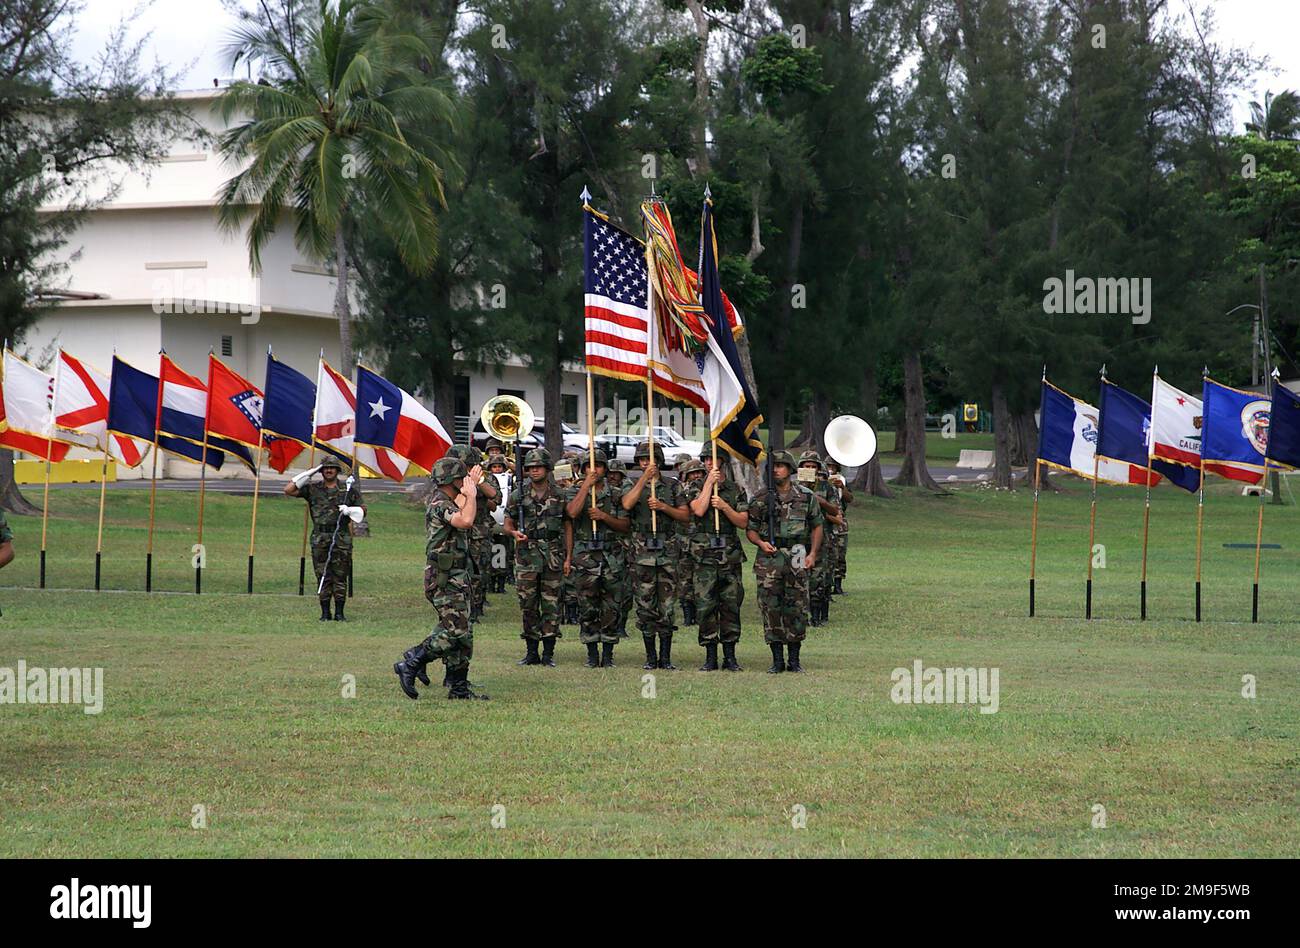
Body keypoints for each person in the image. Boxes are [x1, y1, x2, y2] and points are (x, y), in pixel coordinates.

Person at [393, 456, 488, 700]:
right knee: (456, 631)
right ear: (451, 479)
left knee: (463, 634)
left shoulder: (446, 499)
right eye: (461, 477)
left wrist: (471, 489)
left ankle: (458, 688)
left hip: (456, 575)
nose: (464, 481)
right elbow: (465, 520)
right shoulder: (439, 503)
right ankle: (414, 660)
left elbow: (461, 505)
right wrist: (473, 493)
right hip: (444, 578)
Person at [747, 449, 824, 673]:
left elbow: (817, 525)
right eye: (773, 466)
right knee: (770, 606)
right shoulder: (761, 498)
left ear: (790, 469)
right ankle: (777, 660)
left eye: (781, 466)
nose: (776, 470)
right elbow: (750, 530)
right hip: (769, 558)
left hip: (798, 552)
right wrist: (761, 543)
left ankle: (794, 659)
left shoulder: (806, 496)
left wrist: (812, 554)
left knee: (797, 606)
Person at [620, 441, 689, 669]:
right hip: (642, 554)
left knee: (667, 606)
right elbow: (627, 504)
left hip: (668, 552)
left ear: (658, 461)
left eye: (648, 459)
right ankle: (650, 658)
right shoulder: (630, 484)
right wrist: (643, 480)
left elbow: (685, 515)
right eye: (641, 460)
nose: (644, 463)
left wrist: (663, 507)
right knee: (645, 605)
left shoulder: (672, 486)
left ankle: (666, 658)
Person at [563, 448, 630, 668]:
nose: (594, 470)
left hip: (611, 556)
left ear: (605, 469)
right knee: (587, 605)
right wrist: (585, 486)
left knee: (611, 605)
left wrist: (604, 516)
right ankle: (592, 652)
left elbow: (625, 525)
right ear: (583, 469)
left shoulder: (616, 493)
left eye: (599, 466)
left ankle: (608, 653)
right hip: (586, 557)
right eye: (590, 466)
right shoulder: (574, 491)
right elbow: (572, 513)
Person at [684, 446, 749, 671]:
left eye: (714, 459)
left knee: (731, 605)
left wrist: (724, 507)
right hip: (704, 558)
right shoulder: (694, 487)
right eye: (707, 459)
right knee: (705, 606)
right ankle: (710, 655)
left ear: (722, 461)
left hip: (728, 555)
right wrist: (708, 485)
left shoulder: (735, 489)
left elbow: (742, 521)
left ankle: (730, 655)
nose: (711, 463)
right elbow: (698, 510)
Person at [505, 448, 566, 667]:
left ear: (547, 468)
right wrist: (513, 533)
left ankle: (548, 653)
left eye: (538, 467)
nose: (534, 471)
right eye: (530, 468)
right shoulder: (518, 494)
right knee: (528, 604)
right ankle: (532, 651)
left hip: (552, 553)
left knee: (551, 604)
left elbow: (567, 524)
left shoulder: (559, 494)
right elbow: (507, 522)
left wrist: (567, 557)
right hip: (527, 555)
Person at [284, 458, 364, 621]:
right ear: (321, 471)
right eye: (325, 468)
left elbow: (363, 511)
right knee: (322, 575)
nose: (329, 471)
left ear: (337, 471)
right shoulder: (313, 489)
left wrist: (350, 510)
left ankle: (340, 613)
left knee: (340, 574)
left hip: (341, 536)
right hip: (320, 537)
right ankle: (325, 612)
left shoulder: (347, 490)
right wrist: (308, 474)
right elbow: (289, 490)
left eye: (332, 468)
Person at [446, 444, 498, 621]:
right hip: (456, 530)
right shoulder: (450, 479)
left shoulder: (485, 477)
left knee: (479, 571)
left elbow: (495, 498)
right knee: (456, 569)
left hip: (478, 532)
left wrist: (477, 482)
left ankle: (477, 605)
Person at [797, 451, 841, 627]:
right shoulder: (792, 488)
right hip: (798, 539)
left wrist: (819, 500)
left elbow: (836, 512)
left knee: (818, 579)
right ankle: (801, 615)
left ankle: (817, 615)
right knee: (798, 578)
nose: (809, 469)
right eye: (806, 466)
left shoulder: (826, 487)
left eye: (813, 467)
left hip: (821, 539)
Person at [675, 456, 704, 626]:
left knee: (701, 579)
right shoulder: (679, 491)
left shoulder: (707, 490)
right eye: (693, 473)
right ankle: (688, 614)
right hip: (683, 541)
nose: (697, 476)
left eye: (700, 472)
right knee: (685, 579)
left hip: (701, 542)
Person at [606, 459, 634, 638]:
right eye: (610, 473)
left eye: (617, 474)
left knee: (626, 588)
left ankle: (621, 622)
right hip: (607, 544)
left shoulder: (627, 487)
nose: (613, 477)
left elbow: (625, 501)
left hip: (625, 545)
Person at [486, 455, 513, 593]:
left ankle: (501, 584)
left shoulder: (509, 478)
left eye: (499, 466)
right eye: (494, 466)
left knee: (503, 552)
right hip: (490, 521)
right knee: (490, 552)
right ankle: (490, 584)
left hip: (504, 519)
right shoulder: (485, 480)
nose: (497, 469)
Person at [825, 459, 853, 595]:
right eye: (828, 466)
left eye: (833, 466)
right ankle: (826, 584)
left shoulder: (842, 480)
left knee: (840, 555)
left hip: (841, 523)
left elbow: (849, 498)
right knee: (828, 554)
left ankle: (838, 585)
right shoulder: (821, 481)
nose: (831, 469)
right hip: (827, 522)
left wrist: (842, 487)